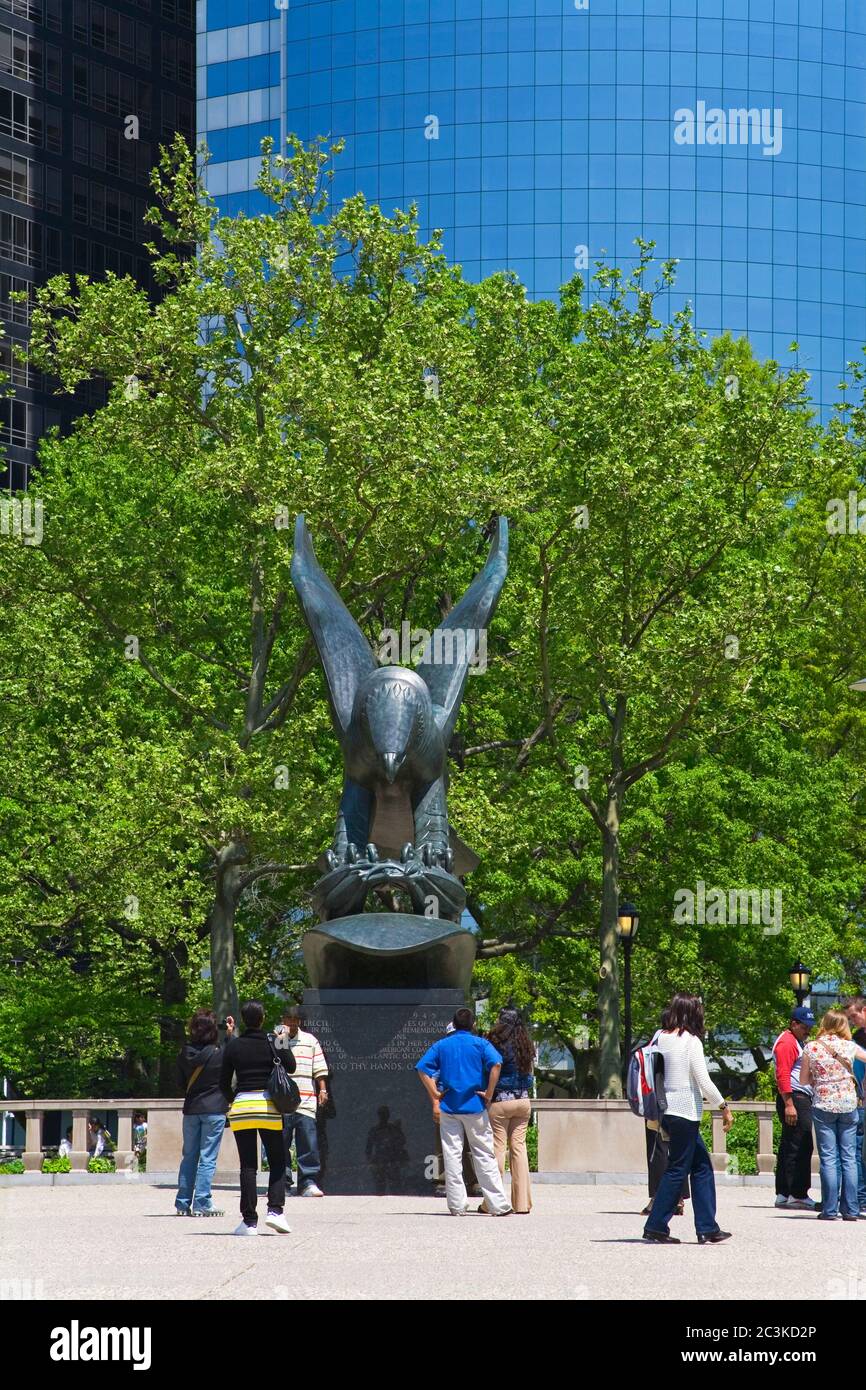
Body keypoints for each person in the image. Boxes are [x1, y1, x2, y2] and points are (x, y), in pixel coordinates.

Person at [642, 993, 733, 1245]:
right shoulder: (690, 1041)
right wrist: (724, 1106)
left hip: (665, 1111)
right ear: (693, 1012)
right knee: (677, 1169)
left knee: (701, 1166)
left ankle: (707, 1227)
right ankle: (656, 1225)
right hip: (684, 1112)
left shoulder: (660, 1037)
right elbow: (703, 1081)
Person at [416, 1006, 512, 1217]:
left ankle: (457, 1205)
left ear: (454, 1023)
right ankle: (497, 1204)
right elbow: (496, 1064)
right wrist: (489, 1092)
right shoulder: (480, 1043)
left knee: (451, 1155)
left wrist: (435, 1093)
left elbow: (422, 1067)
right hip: (475, 1106)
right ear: (473, 1025)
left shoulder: (442, 1045)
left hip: (450, 1106)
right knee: (484, 1154)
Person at [220, 1000, 296, 1235]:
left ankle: (249, 1221)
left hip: (242, 1106)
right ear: (262, 1018)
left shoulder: (234, 1046)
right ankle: (275, 1211)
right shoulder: (273, 1041)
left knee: (248, 1165)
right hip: (268, 1107)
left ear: (244, 1020)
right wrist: (282, 1039)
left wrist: (234, 1098)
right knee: (276, 1161)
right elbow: (291, 1067)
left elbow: (223, 1081)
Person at [800, 1008, 866, 1221]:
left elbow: (802, 1080)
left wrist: (818, 1081)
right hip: (848, 1104)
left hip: (823, 1103)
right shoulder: (849, 1046)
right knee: (849, 1157)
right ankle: (851, 1210)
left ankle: (829, 1209)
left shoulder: (812, 1047)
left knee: (828, 1158)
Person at [479, 1008, 534, 1215]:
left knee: (497, 1148)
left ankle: (493, 1202)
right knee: (519, 1149)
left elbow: (490, 1068)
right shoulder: (525, 1043)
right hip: (523, 1100)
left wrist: (487, 1092)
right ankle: (522, 1204)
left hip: (500, 1100)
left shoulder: (494, 1042)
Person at [175, 1008, 229, 1217]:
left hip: (191, 1109)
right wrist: (231, 1035)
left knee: (189, 1156)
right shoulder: (220, 1052)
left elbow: (180, 1082)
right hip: (214, 1108)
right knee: (208, 1157)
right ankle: (202, 1202)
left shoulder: (184, 1052)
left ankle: (182, 1202)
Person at [272, 1007, 328, 1197]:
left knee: (308, 1144)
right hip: (282, 1102)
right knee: (281, 1144)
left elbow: (319, 1067)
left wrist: (323, 1089)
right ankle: (283, 1183)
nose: (292, 1023)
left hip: (306, 1100)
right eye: (289, 1019)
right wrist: (281, 1040)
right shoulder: (278, 1040)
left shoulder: (310, 1040)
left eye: (296, 1020)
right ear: (283, 1019)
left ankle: (308, 1182)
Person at [642, 1007, 689, 1219]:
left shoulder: (658, 1040)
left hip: (659, 1102)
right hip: (683, 1104)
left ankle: (657, 1198)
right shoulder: (686, 1041)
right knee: (679, 1152)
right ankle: (678, 1198)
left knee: (657, 1150)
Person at [771, 1005, 820, 1211]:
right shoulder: (787, 1042)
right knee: (801, 1144)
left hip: (795, 1097)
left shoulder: (794, 1041)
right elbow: (783, 1074)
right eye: (804, 1026)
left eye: (810, 1026)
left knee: (789, 1145)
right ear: (793, 1024)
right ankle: (797, 1193)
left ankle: (784, 1193)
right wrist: (789, 1104)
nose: (808, 1030)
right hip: (795, 1098)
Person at [842, 995, 866, 1215]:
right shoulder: (858, 1037)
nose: (852, 1021)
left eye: (854, 1016)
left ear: (864, 1010)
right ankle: (860, 1198)